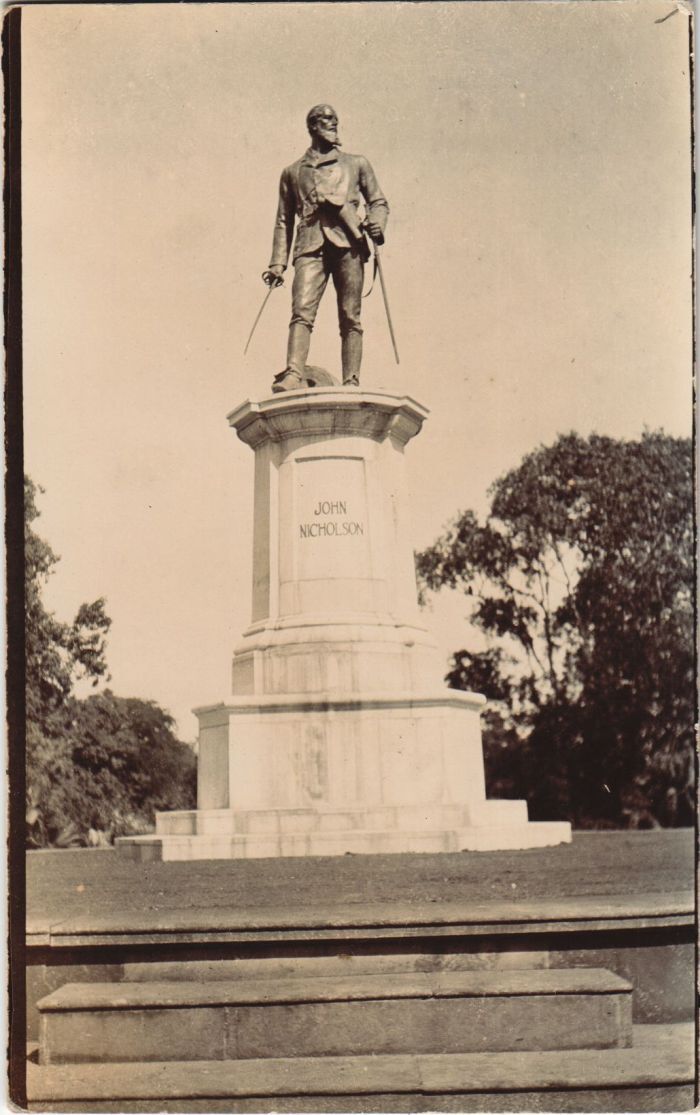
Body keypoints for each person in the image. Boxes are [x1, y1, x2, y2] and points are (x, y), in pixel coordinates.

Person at [263, 105, 389, 393]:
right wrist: (277, 264)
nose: (333, 126)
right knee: (301, 311)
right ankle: (293, 373)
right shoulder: (292, 172)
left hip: (348, 243)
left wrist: (377, 223)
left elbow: (378, 202)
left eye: (335, 121)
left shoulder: (356, 163)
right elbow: (283, 220)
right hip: (309, 245)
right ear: (312, 127)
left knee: (350, 315)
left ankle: (351, 380)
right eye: (326, 121)